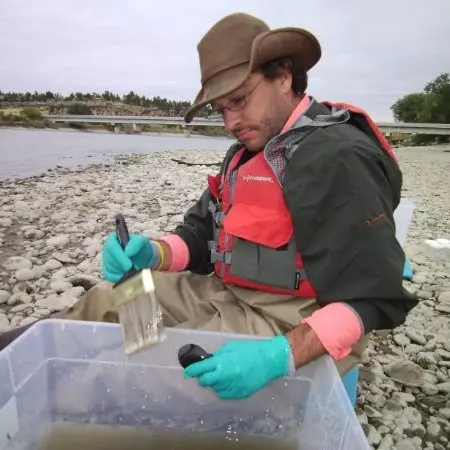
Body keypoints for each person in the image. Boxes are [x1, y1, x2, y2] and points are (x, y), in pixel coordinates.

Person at [0, 12, 417, 403]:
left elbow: (375, 299)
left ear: (284, 76)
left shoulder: (336, 158)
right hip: (226, 293)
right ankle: (12, 365)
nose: (230, 122)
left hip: (286, 322)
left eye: (240, 100)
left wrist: (279, 356)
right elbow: (201, 235)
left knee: (115, 377)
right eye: (221, 109)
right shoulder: (248, 152)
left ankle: (57, 398)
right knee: (109, 299)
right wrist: (153, 253)